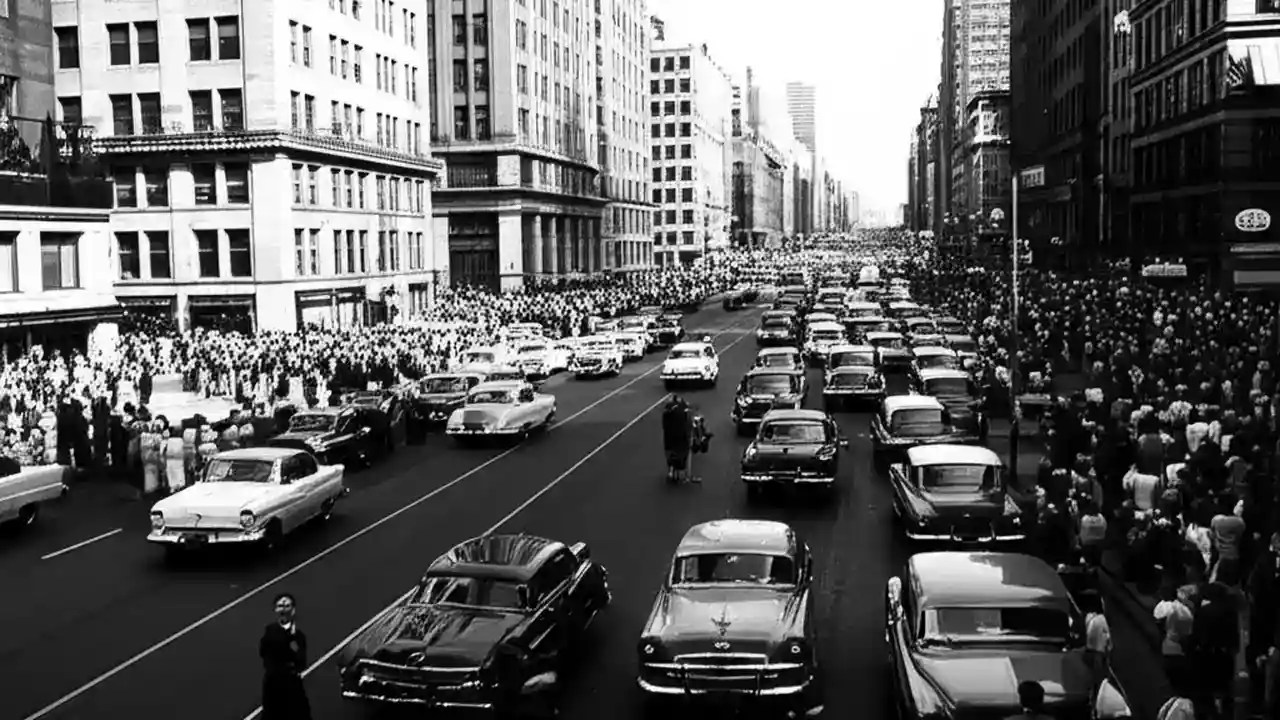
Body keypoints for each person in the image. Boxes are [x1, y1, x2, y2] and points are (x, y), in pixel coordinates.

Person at [259, 592, 312, 720]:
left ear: (293, 610)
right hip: (272, 681)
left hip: (291, 682)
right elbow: (263, 652)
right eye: (280, 606)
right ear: (276, 609)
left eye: (287, 606)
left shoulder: (298, 636)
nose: (283, 609)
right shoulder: (270, 630)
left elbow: (300, 659)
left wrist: (291, 639)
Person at [661, 394, 698, 483]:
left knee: (670, 452)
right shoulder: (683, 409)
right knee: (683, 453)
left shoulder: (668, 410)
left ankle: (671, 471)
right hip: (681, 435)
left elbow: (664, 424)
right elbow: (688, 422)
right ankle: (685, 474)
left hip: (670, 436)